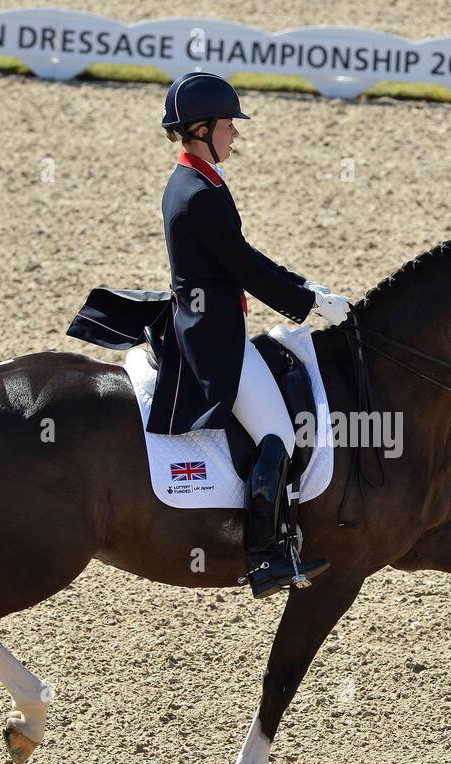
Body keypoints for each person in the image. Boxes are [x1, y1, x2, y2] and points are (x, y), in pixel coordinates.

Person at [150, 71, 353, 598]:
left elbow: (245, 259)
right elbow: (245, 267)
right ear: (200, 128)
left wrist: (305, 286)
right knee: (279, 436)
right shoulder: (196, 193)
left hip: (216, 325)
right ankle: (265, 556)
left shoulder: (201, 181)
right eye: (228, 125)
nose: (235, 134)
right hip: (215, 341)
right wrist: (309, 302)